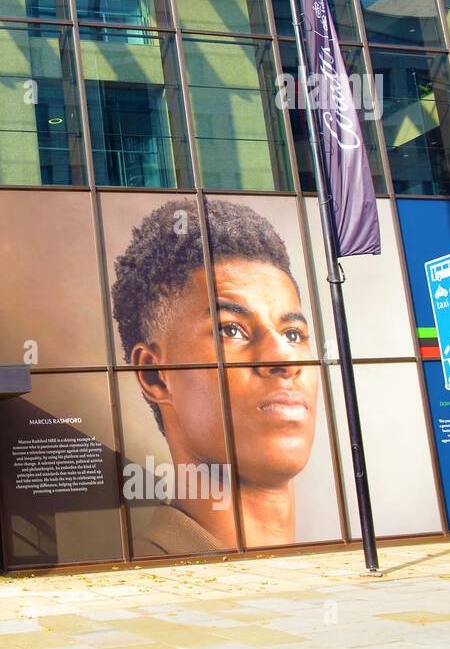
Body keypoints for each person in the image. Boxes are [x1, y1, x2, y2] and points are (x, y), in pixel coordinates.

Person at [112, 198, 318, 555]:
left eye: (293, 334)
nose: (284, 358)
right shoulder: (149, 589)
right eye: (231, 330)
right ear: (155, 376)